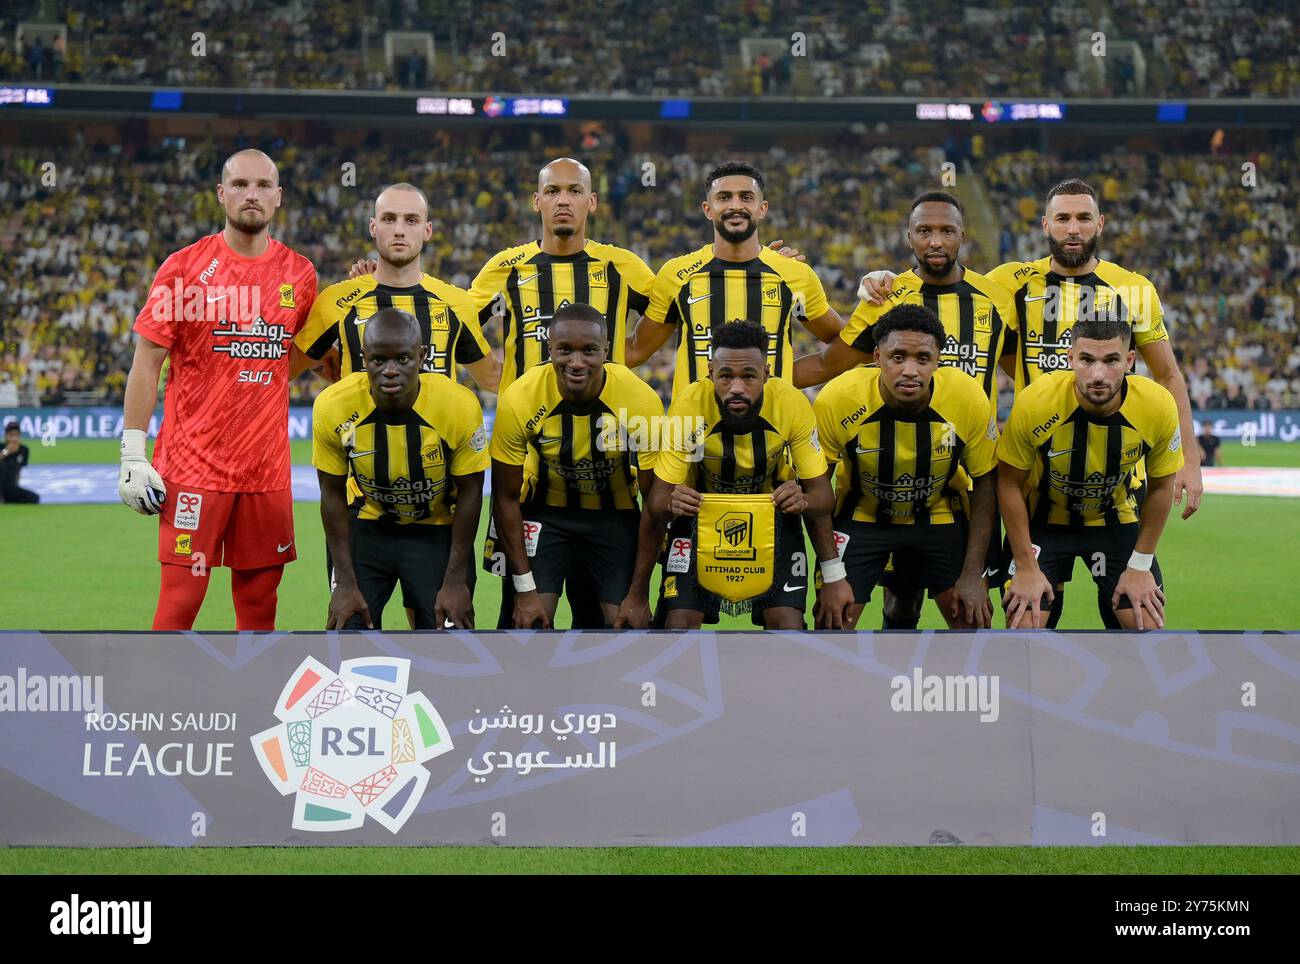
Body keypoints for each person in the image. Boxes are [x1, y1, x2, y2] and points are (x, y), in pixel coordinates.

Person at [861, 178, 1203, 628]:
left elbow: (1168, 374)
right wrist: (880, 280)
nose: (1073, 229)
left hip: (1117, 483)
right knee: (1028, 619)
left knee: (1133, 618)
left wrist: (1190, 459)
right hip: (1036, 480)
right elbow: (951, 293)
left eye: (1083, 218)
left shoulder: (1133, 289)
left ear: (1100, 223)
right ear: (1046, 224)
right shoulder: (1010, 284)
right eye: (1063, 219)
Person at [120, 149, 323, 631]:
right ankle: (160, 704)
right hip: (193, 468)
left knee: (259, 607)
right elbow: (147, 364)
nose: (250, 194)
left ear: (278, 197)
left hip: (265, 471)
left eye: (261, 186)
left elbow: (299, 360)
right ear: (221, 193)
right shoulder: (184, 269)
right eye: (239, 185)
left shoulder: (301, 275)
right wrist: (132, 453)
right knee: (179, 604)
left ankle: (249, 705)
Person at [794, 191, 1014, 629]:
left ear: (962, 236)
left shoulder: (995, 300)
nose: (936, 241)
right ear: (908, 237)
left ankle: (943, 694)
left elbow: (1025, 370)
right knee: (877, 609)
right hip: (871, 490)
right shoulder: (884, 296)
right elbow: (830, 362)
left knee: (962, 613)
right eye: (924, 231)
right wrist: (761, 376)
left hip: (954, 487)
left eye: (946, 231)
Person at [294, 181, 498, 627]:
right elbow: (291, 366)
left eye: (410, 220)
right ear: (373, 228)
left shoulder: (456, 303)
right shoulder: (337, 302)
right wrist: (330, 373)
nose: (399, 230)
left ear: (427, 230)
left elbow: (493, 377)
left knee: (439, 641)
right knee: (354, 639)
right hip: (361, 504)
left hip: (439, 504)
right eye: (389, 219)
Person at [616, 321, 853, 630]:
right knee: (678, 624)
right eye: (726, 376)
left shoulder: (791, 404)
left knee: (788, 625)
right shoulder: (689, 405)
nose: (737, 387)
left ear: (766, 374)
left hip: (774, 517)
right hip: (699, 517)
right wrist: (637, 594)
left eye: (749, 376)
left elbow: (823, 496)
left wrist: (804, 500)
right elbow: (657, 501)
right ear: (711, 371)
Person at [813, 305, 999, 629]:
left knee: (974, 622)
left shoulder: (967, 397)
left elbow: (985, 483)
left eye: (922, 359)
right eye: (897, 357)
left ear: (937, 360)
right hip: (864, 515)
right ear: (876, 357)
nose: (910, 370)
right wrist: (831, 573)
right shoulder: (838, 399)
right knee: (833, 623)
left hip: (939, 513)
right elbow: (817, 486)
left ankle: (939, 680)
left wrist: (972, 573)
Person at [997, 316, 1183, 630]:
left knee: (1144, 624)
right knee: (1025, 626)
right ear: (1071, 359)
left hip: (1114, 517)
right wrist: (1027, 567)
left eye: (1111, 360)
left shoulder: (1158, 406)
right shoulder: (1036, 403)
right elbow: (1008, 483)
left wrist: (1139, 566)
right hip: (1045, 519)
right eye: (1086, 360)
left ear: (1130, 361)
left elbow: (1163, 488)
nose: (1098, 374)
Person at [490, 303, 664, 629]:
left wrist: (639, 593)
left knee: (626, 627)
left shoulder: (639, 400)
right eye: (565, 350)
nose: (576, 362)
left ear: (607, 350)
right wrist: (524, 591)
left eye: (589, 351)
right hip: (545, 514)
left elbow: (654, 501)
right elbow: (504, 498)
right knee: (529, 625)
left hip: (614, 516)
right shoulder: (520, 398)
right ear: (549, 348)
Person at [313, 309, 488, 630]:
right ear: (364, 357)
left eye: (403, 360)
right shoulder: (333, 406)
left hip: (436, 529)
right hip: (366, 528)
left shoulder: (458, 406)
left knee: (448, 644)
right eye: (378, 360)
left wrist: (455, 580)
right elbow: (331, 493)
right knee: (347, 637)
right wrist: (346, 583)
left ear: (421, 357)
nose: (390, 371)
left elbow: (472, 490)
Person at [624, 161, 846, 398]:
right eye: (724, 197)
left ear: (763, 208)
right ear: (708, 209)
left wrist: (783, 375)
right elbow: (637, 349)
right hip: (695, 430)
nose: (736, 205)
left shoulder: (795, 275)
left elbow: (843, 344)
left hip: (770, 429)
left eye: (746, 197)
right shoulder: (676, 275)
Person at [0, 422, 39, 504]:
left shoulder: (24, 450)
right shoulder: (1, 447)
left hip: (10, 486)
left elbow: (18, 470)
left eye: (17, 435)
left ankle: (6, 499)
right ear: (6, 436)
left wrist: (16, 486)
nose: (14, 438)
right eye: (11, 435)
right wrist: (6, 451)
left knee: (34, 498)